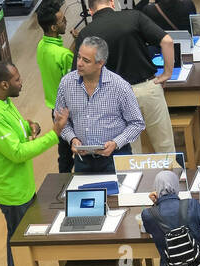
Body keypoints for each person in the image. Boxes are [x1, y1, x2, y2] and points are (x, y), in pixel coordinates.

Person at [0, 61, 68, 266]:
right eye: (17, 80)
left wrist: (28, 125)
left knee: (18, 238)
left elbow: (13, 128)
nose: (22, 82)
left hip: (19, 183)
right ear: (4, 84)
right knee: (19, 243)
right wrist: (53, 134)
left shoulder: (0, 100)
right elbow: (16, 153)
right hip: (10, 188)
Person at [71, 0, 176, 156]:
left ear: (90, 11)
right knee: (165, 145)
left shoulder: (86, 34)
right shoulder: (134, 16)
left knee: (131, 154)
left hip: (114, 98)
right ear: (112, 3)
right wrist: (167, 73)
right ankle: (172, 177)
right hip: (148, 88)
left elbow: (79, 76)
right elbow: (167, 41)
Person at [55, 36, 145, 174]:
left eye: (86, 60)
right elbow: (61, 121)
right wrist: (72, 138)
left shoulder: (120, 87)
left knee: (118, 196)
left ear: (100, 63)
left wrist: (115, 143)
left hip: (116, 158)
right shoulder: (66, 84)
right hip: (82, 159)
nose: (79, 63)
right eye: (78, 57)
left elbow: (137, 123)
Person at [36, 0, 76, 174]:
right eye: (62, 20)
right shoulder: (64, 55)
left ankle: (62, 189)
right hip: (69, 110)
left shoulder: (41, 46)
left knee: (64, 154)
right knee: (76, 149)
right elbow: (72, 83)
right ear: (53, 27)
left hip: (54, 107)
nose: (65, 21)